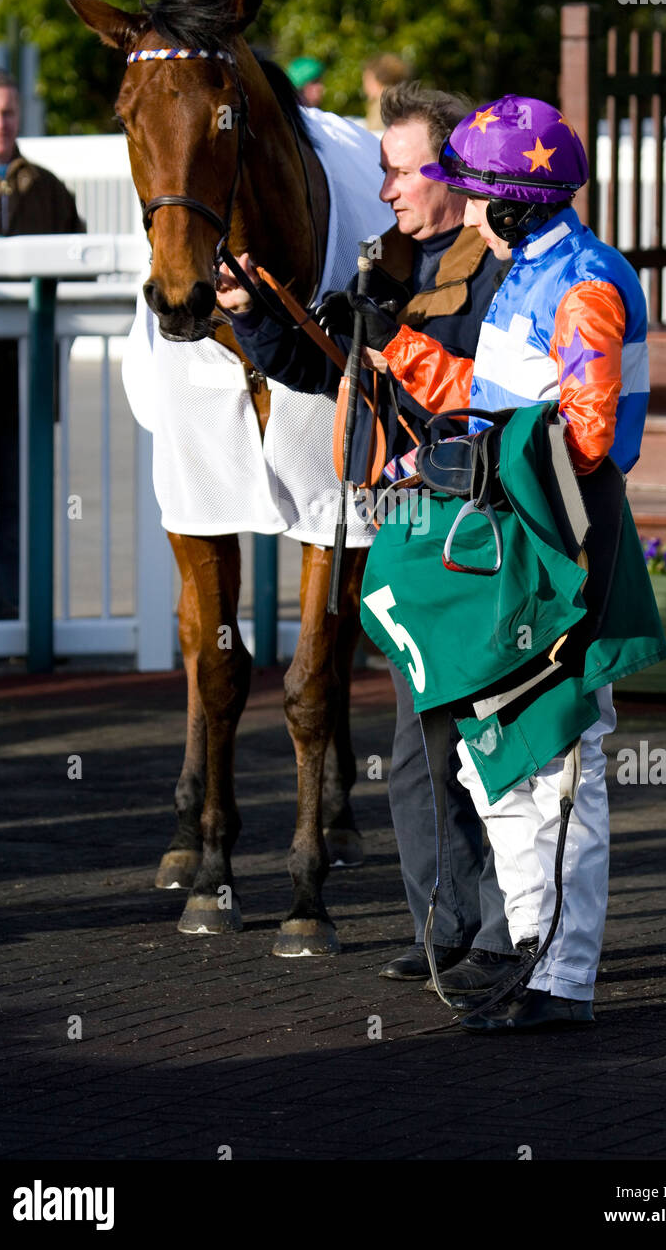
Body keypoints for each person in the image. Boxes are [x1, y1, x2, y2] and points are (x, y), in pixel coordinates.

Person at [216, 82, 530, 996]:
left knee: (486, 750)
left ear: (454, 174)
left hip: (478, 539)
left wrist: (394, 338)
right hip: (414, 539)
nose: (385, 187)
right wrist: (252, 313)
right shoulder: (395, 272)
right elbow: (326, 368)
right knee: (419, 758)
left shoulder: (500, 275)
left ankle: (510, 935)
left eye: (400, 170)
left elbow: (482, 394)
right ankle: (444, 926)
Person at [355, 94, 651, 1031]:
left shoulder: (586, 285)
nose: (467, 208)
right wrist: (387, 342)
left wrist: (464, 459)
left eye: (479, 195)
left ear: (518, 203)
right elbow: (484, 393)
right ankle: (531, 948)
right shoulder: (529, 269)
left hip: (565, 537)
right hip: (511, 531)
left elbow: (588, 435)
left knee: (561, 765)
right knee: (502, 760)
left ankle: (563, 979)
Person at [0, 66, 83, 622]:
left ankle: (14, 623)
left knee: (18, 506)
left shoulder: (48, 188)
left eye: (7, 112)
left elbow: (83, 272)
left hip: (25, 379)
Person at [362, 54, 412, 133]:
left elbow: (376, 135)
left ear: (375, 79)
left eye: (366, 80)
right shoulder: (404, 99)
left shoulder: (383, 104)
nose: (365, 87)